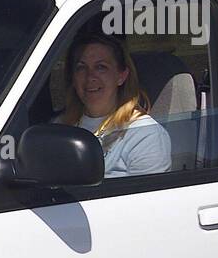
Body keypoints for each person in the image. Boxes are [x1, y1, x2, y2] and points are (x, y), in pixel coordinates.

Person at [58, 32, 171, 177]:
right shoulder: (60, 126)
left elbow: (147, 199)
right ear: (73, 77)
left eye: (101, 67)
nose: (90, 76)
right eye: (81, 67)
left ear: (121, 76)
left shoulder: (145, 134)